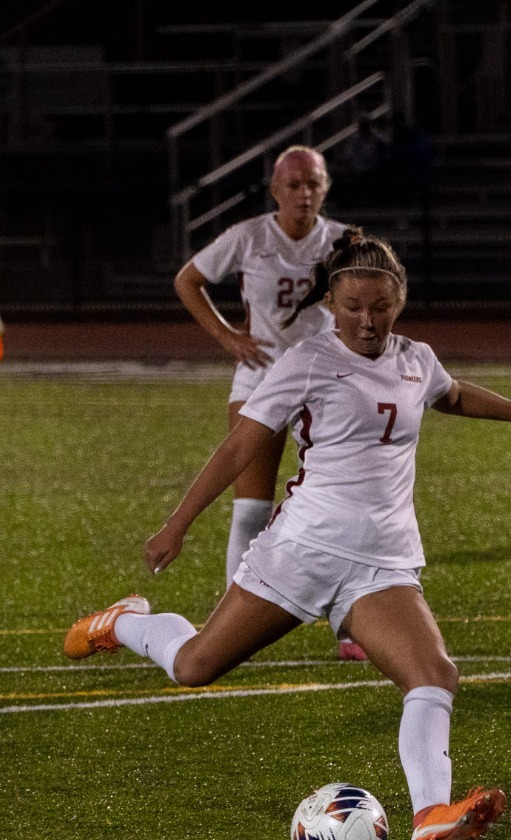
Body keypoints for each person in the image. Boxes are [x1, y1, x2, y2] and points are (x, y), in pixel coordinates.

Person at [64, 230, 511, 840]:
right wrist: (179, 523)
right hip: (303, 552)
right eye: (354, 306)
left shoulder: (416, 358)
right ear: (331, 303)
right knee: (195, 666)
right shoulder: (306, 360)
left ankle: (429, 817)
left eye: (381, 307)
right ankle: (125, 622)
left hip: (382, 563)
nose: (368, 320)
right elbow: (241, 444)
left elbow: (453, 395)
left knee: (434, 674)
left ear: (400, 301)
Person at [173, 146, 362, 659]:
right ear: (275, 190)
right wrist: (228, 337)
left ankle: (350, 626)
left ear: (325, 188)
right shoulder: (249, 237)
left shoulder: (344, 241)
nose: (304, 193)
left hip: (324, 384)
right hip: (261, 381)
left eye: (313, 183)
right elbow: (188, 280)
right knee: (251, 508)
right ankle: (229, 630)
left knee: (342, 506)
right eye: (294, 184)